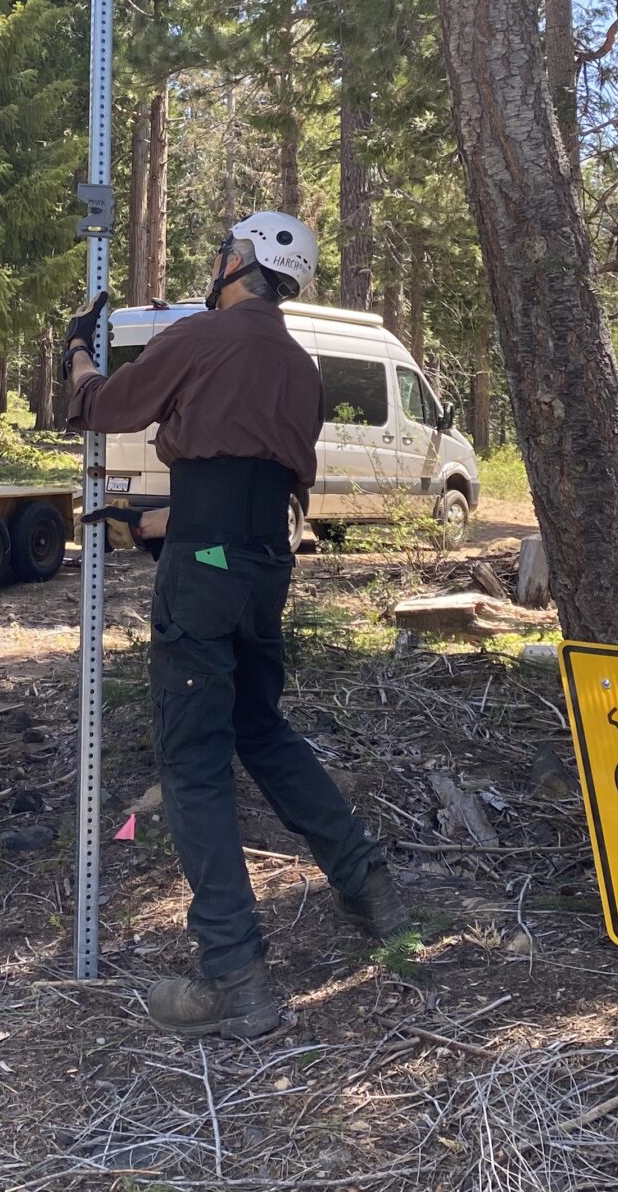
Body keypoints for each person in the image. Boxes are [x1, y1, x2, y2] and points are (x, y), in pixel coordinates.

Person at [65, 211, 411, 1040]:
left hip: (208, 568)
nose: (212, 266)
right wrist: (162, 522)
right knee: (260, 728)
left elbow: (100, 408)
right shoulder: (300, 365)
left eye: (222, 252)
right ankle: (373, 893)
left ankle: (234, 977)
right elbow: (251, 478)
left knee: (192, 762)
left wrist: (79, 348)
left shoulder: (204, 334)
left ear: (242, 261)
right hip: (261, 565)